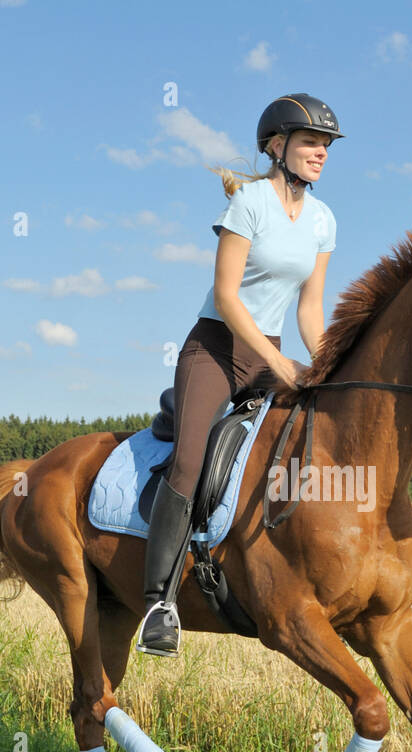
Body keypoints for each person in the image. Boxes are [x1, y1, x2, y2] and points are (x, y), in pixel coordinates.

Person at [136, 93, 342, 657]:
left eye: (326, 146)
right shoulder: (249, 203)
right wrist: (276, 362)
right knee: (191, 457)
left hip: (271, 350)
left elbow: (309, 310)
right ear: (277, 146)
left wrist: (325, 367)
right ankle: (159, 602)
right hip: (216, 348)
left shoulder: (323, 220)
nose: (321, 153)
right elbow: (227, 297)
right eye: (310, 142)